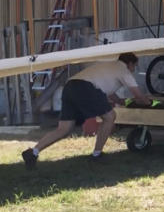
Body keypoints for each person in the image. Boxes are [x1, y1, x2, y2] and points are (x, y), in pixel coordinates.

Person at [21, 52, 150, 167]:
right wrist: (149, 102)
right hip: (85, 87)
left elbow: (107, 91)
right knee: (110, 117)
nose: (134, 70)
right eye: (135, 66)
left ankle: (33, 152)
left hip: (70, 86)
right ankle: (97, 155)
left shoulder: (109, 66)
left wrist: (120, 101)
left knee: (64, 128)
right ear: (130, 63)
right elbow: (137, 94)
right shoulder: (123, 70)